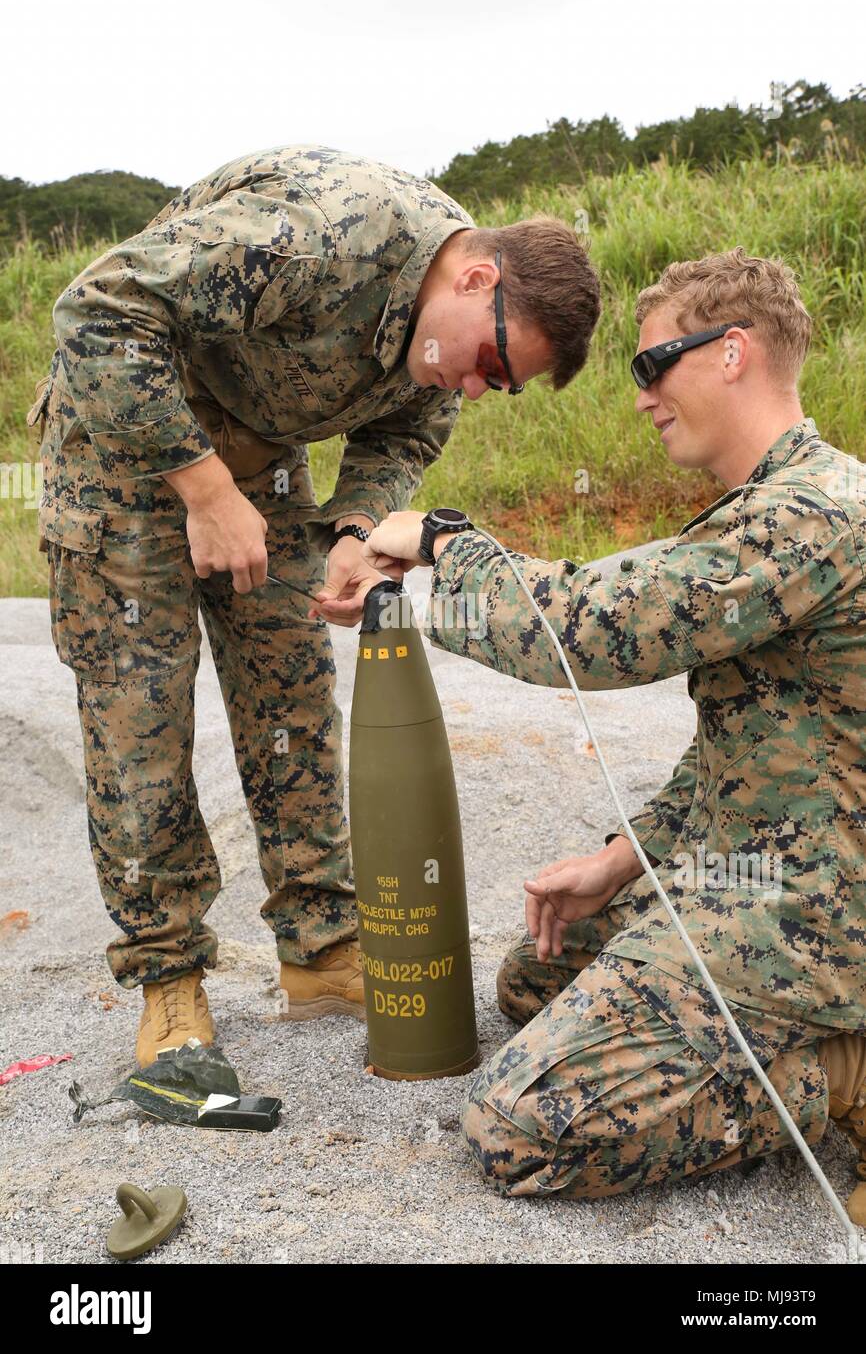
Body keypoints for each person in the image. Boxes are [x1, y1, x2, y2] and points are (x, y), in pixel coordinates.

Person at [27, 145, 601, 1067]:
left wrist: (352, 530)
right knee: (141, 713)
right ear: (475, 276)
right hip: (124, 449)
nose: (477, 388)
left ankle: (322, 945)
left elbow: (406, 427)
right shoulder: (320, 237)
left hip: (262, 450)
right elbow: (98, 312)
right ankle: (169, 979)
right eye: (490, 360)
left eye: (502, 384)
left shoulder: (443, 342)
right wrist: (208, 494)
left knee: (289, 685)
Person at [361, 249, 866, 1220]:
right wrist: (621, 860)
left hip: (820, 904)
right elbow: (745, 747)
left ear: (729, 354)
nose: (639, 398)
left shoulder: (811, 515)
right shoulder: (774, 508)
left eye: (650, 367)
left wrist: (442, 543)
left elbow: (595, 628)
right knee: (534, 978)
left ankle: (838, 1068)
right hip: (760, 872)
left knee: (525, 1122)